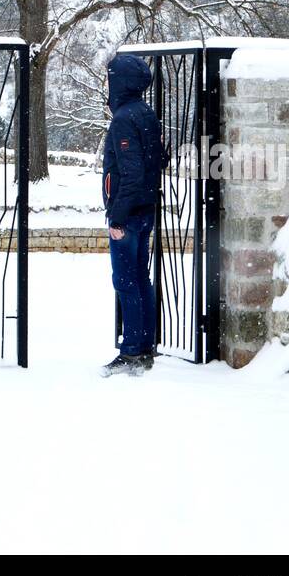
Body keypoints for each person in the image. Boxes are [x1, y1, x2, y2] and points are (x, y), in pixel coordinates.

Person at [101, 52, 162, 376]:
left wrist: (118, 216)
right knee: (140, 279)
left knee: (126, 281)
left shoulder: (124, 118)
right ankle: (144, 345)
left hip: (129, 213)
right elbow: (158, 160)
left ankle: (133, 351)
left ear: (119, 83)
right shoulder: (145, 114)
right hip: (146, 208)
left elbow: (132, 171)